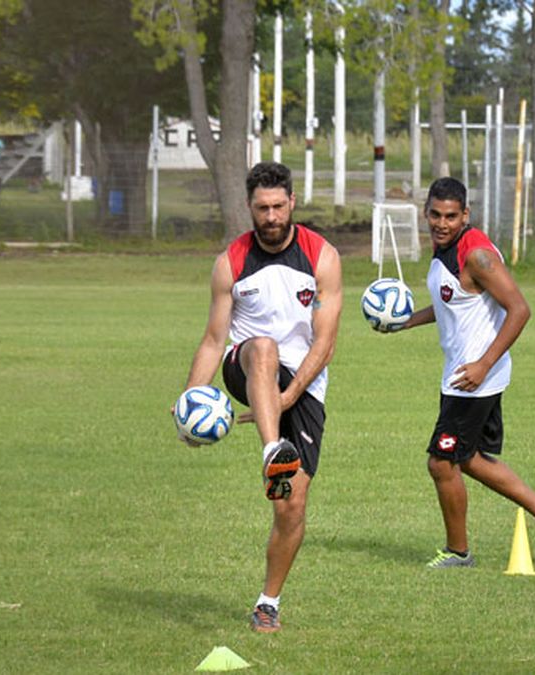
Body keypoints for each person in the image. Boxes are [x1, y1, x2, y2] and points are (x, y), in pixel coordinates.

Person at [180, 161, 342, 633]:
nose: (270, 216)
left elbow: (325, 343)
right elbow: (213, 340)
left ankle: (267, 602)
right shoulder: (231, 262)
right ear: (248, 208)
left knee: (290, 507)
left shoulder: (322, 257)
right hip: (246, 364)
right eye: (261, 208)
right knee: (264, 348)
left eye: (277, 206)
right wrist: (191, 400)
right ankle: (273, 449)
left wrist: (290, 396)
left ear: (292, 202)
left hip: (305, 382)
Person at [389, 176, 535, 569]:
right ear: (426, 213)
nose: (442, 223)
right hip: (461, 376)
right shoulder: (446, 249)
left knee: (441, 462)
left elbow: (520, 309)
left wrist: (482, 365)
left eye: (451, 216)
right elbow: (452, 304)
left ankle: (459, 552)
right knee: (468, 456)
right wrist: (405, 321)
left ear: (466, 214)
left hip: (474, 380)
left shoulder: (476, 256)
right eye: (436, 215)